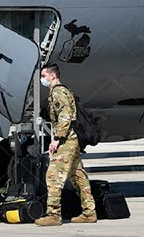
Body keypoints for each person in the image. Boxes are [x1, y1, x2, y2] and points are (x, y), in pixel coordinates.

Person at [34, 64, 97, 226]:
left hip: (66, 140)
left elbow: (65, 116)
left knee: (53, 175)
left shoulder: (58, 92)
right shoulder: (60, 91)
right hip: (71, 139)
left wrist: (56, 139)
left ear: (52, 76)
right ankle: (89, 212)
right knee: (78, 176)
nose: (42, 79)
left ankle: (54, 215)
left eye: (44, 76)